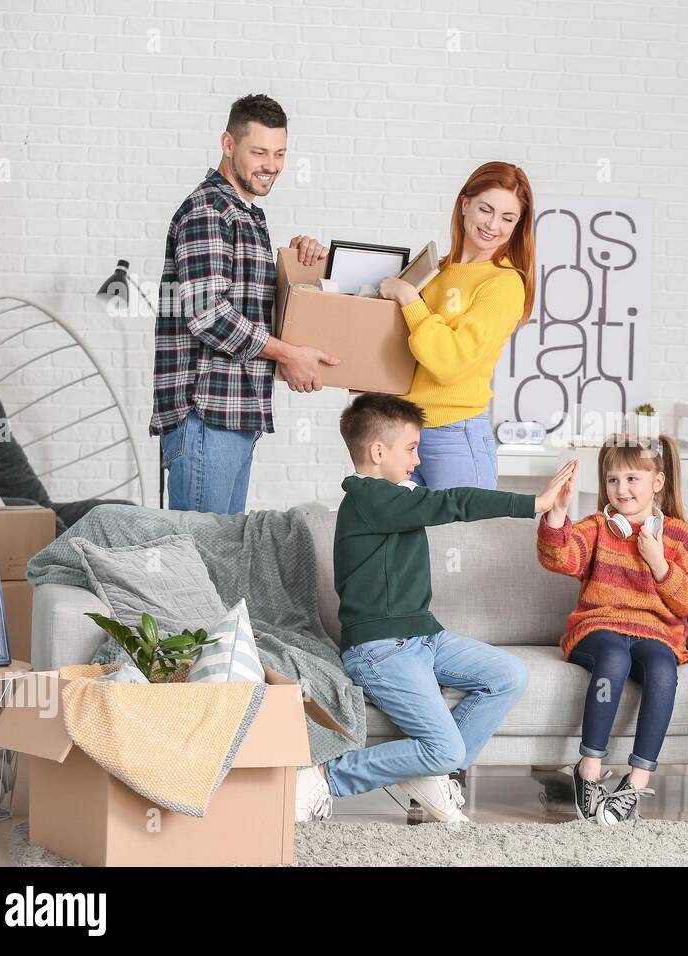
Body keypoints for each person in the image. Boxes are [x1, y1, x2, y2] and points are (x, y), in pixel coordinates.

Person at [293, 393, 575, 824]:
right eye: (411, 448)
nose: (418, 458)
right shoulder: (369, 498)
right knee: (444, 747)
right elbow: (451, 502)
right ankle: (325, 777)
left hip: (425, 637)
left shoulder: (394, 497)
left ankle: (431, 776)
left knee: (508, 675)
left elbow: (440, 500)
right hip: (380, 648)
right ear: (377, 452)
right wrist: (532, 504)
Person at [150, 92, 337, 514]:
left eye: (280, 153)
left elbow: (252, 309)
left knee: (222, 560)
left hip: (235, 414)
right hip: (206, 414)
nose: (271, 165)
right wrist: (288, 354)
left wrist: (300, 262)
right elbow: (208, 314)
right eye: (258, 152)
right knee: (201, 560)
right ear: (228, 144)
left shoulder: (247, 215)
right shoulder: (209, 211)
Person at [537, 434, 688, 825]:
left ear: (657, 483)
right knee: (613, 657)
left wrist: (659, 562)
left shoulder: (678, 535)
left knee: (663, 670)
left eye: (633, 479)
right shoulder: (598, 526)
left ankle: (636, 780)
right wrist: (559, 514)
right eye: (613, 480)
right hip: (599, 626)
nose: (622, 489)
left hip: (655, 632)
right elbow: (559, 558)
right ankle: (589, 769)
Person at [376, 161, 535, 491]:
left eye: (508, 218)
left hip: (455, 436)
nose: (493, 225)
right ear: (465, 204)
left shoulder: (503, 283)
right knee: (403, 542)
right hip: (402, 433)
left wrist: (410, 300)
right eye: (486, 209)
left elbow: (451, 363)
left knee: (463, 541)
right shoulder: (433, 271)